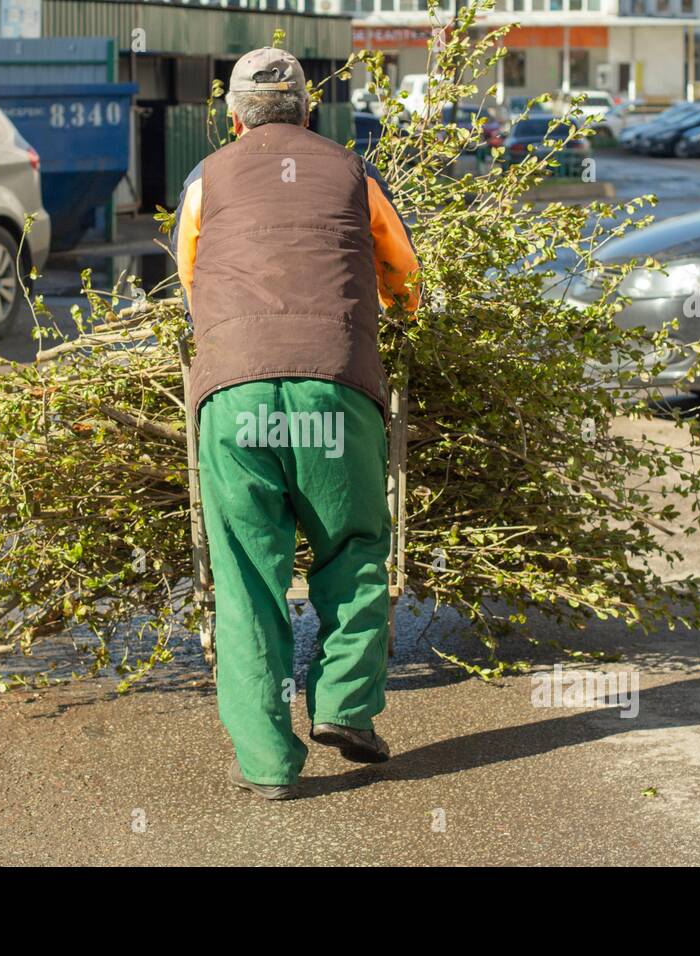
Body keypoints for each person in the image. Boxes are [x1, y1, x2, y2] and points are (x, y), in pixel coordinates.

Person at [173, 47, 420, 800]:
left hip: (235, 397)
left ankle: (270, 766)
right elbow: (403, 271)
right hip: (335, 392)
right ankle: (345, 705)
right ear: (311, 112)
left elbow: (190, 272)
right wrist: (402, 318)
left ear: (234, 117)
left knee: (249, 578)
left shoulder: (204, 178)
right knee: (352, 547)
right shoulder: (353, 172)